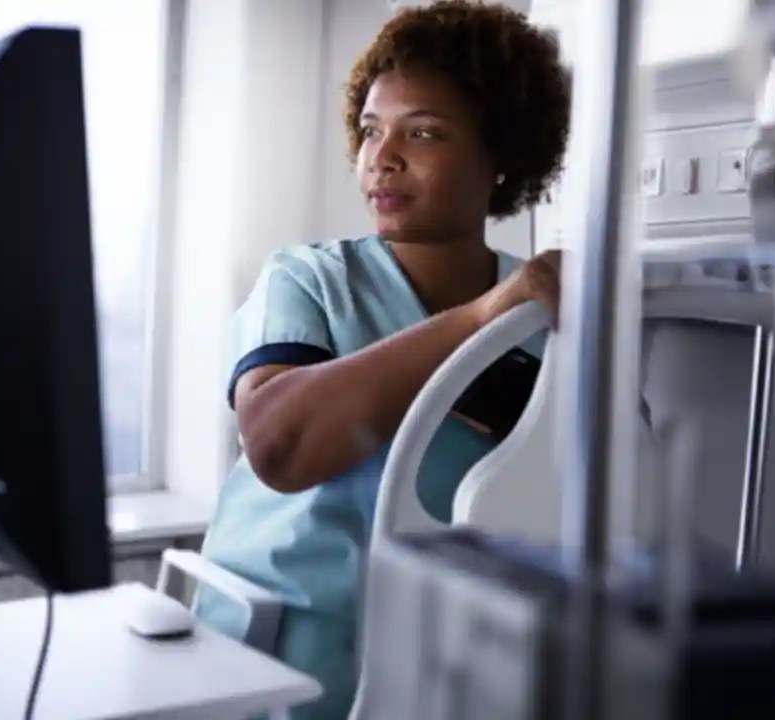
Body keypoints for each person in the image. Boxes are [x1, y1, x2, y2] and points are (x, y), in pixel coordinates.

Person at [195, 2, 571, 717]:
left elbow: (609, 498)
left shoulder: (550, 311)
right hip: (276, 668)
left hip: (454, 678)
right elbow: (279, 443)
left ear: (501, 158)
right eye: (372, 130)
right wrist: (484, 317)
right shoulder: (308, 280)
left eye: (422, 132)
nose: (382, 156)